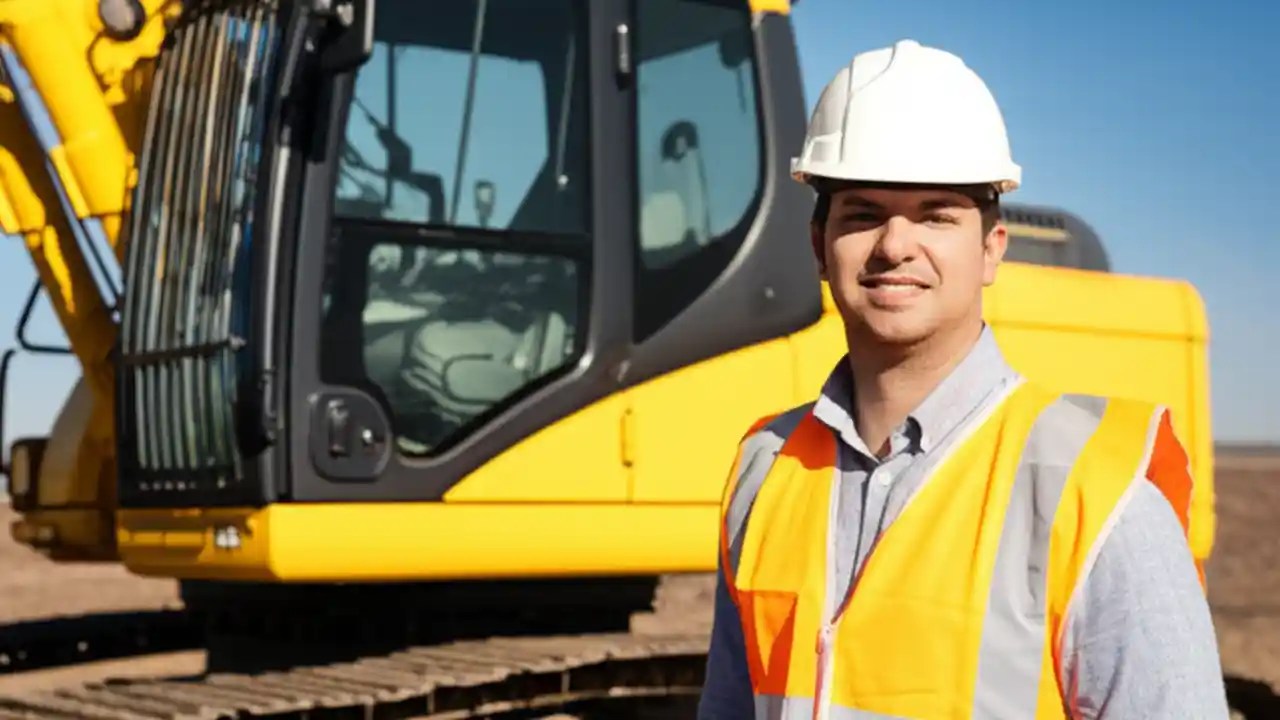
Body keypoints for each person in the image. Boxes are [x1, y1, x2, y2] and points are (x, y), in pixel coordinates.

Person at [696, 39, 1229, 719]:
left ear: (990, 249)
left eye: (936, 215)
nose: (895, 246)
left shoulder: (1096, 492)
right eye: (862, 213)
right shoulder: (765, 471)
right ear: (818, 245)